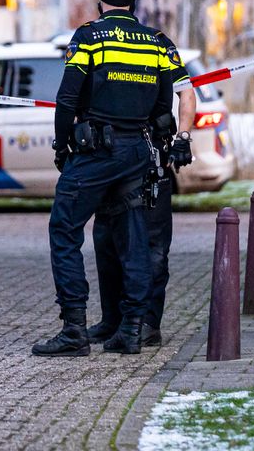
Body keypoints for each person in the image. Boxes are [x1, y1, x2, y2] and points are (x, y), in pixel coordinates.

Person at [32, 0, 179, 358]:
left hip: (96, 150)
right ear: (134, 1)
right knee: (134, 240)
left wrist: (62, 147)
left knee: (64, 229)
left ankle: (74, 330)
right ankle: (131, 330)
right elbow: (165, 106)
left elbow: (67, 98)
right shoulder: (157, 42)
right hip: (137, 152)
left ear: (100, 0)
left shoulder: (89, 36)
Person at [87, 38, 195, 350]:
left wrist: (183, 137)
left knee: (148, 242)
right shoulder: (155, 43)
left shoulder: (101, 38)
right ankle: (114, 320)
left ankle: (147, 323)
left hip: (143, 156)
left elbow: (186, 91)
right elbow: (186, 92)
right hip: (119, 156)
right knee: (108, 237)